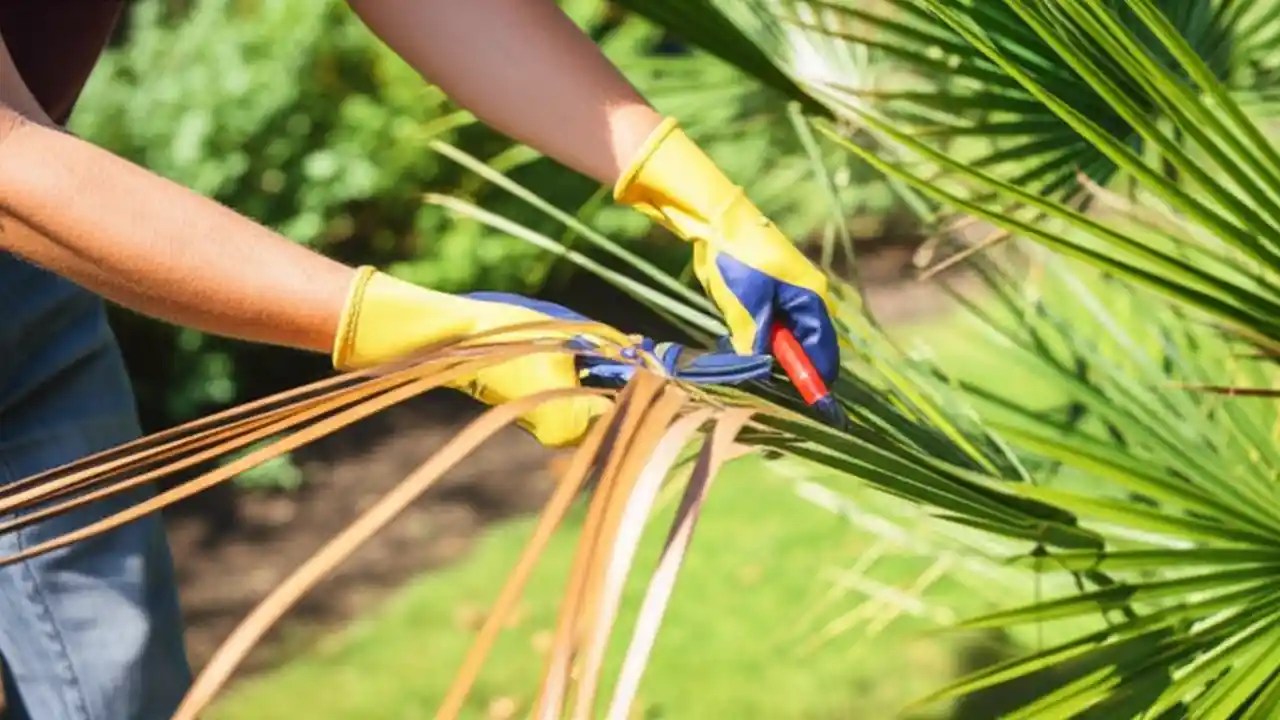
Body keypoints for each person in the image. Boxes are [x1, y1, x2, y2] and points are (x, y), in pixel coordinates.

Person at [0, 1, 838, 718]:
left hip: (27, 296)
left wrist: (689, 188)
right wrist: (425, 332)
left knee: (121, 685)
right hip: (30, 208)